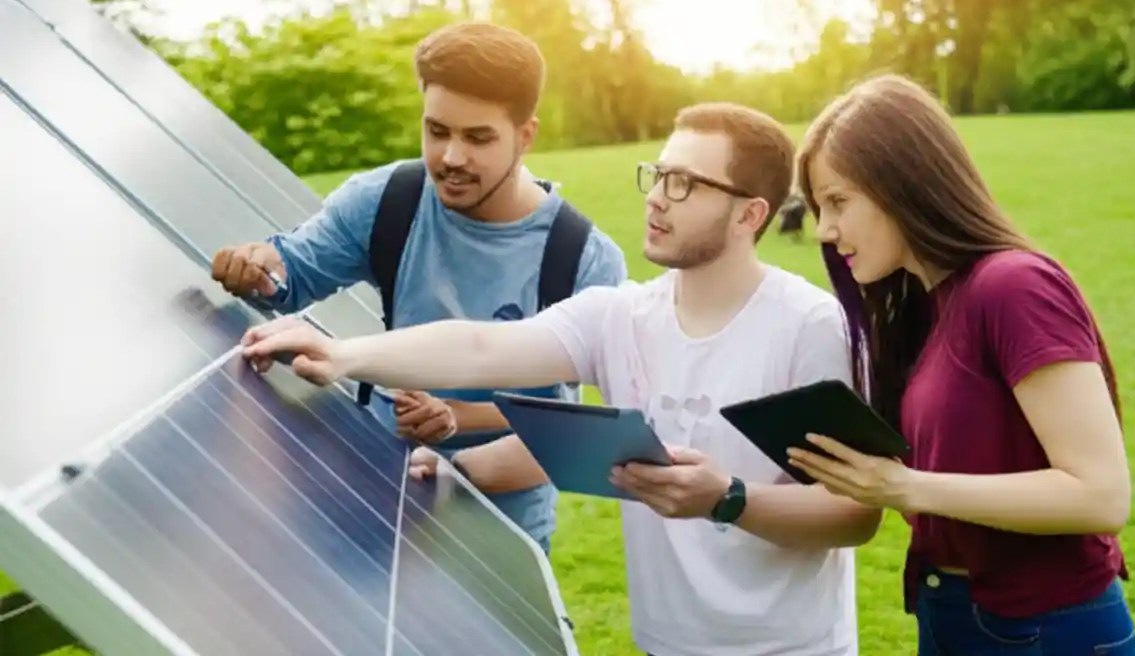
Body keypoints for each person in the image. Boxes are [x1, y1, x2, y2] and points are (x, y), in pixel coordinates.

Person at [240, 102, 884, 656]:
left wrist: (727, 498)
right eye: (658, 175)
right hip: (664, 643)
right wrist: (345, 355)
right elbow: (480, 347)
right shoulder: (621, 315)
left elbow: (852, 513)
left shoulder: (811, 325)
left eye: (685, 183)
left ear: (749, 215)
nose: (657, 196)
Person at [209, 21, 627, 554]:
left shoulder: (583, 259)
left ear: (525, 136)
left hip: (499, 539)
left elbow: (584, 429)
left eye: (478, 138)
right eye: (437, 131)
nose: (451, 157)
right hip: (371, 500)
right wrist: (263, 269)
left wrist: (458, 421)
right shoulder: (388, 201)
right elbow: (292, 274)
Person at [787, 74, 1135, 655]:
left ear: (902, 183)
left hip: (1046, 631)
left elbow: (1101, 495)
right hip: (955, 616)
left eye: (838, 202)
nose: (825, 230)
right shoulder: (926, 306)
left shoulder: (1013, 286)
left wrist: (908, 487)